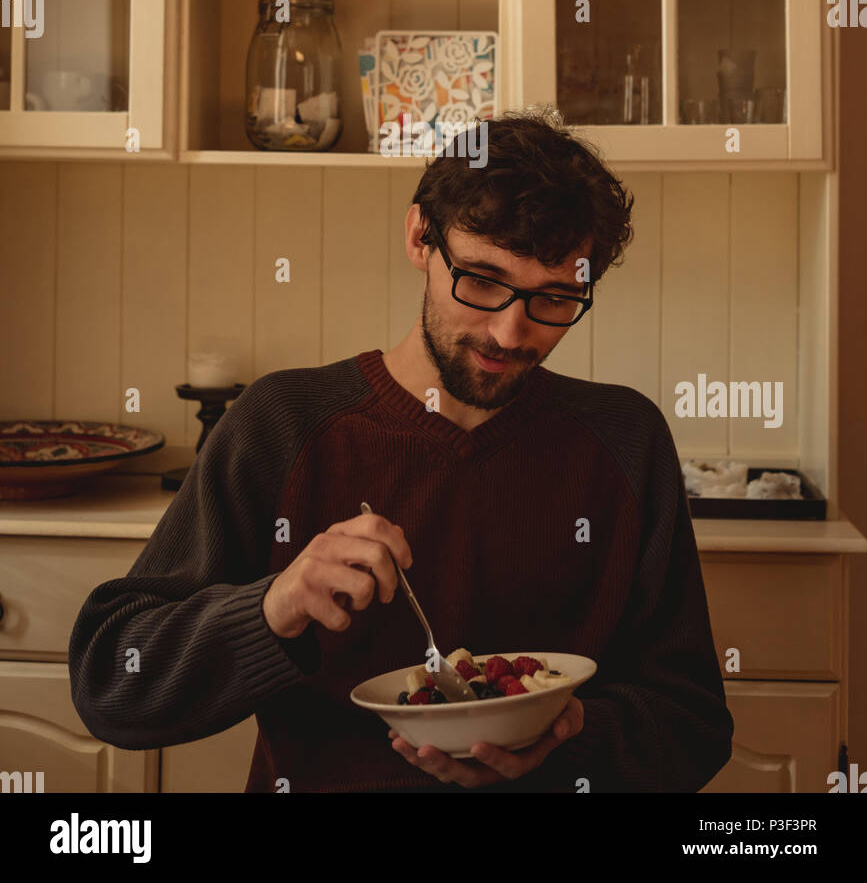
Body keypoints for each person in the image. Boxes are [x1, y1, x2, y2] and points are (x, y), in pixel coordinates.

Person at [68, 107, 733, 793]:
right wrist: (274, 608)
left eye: (555, 299)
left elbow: (693, 723)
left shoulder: (624, 438)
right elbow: (111, 683)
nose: (509, 333)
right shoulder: (283, 424)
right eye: (479, 280)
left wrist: (572, 738)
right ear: (420, 236)